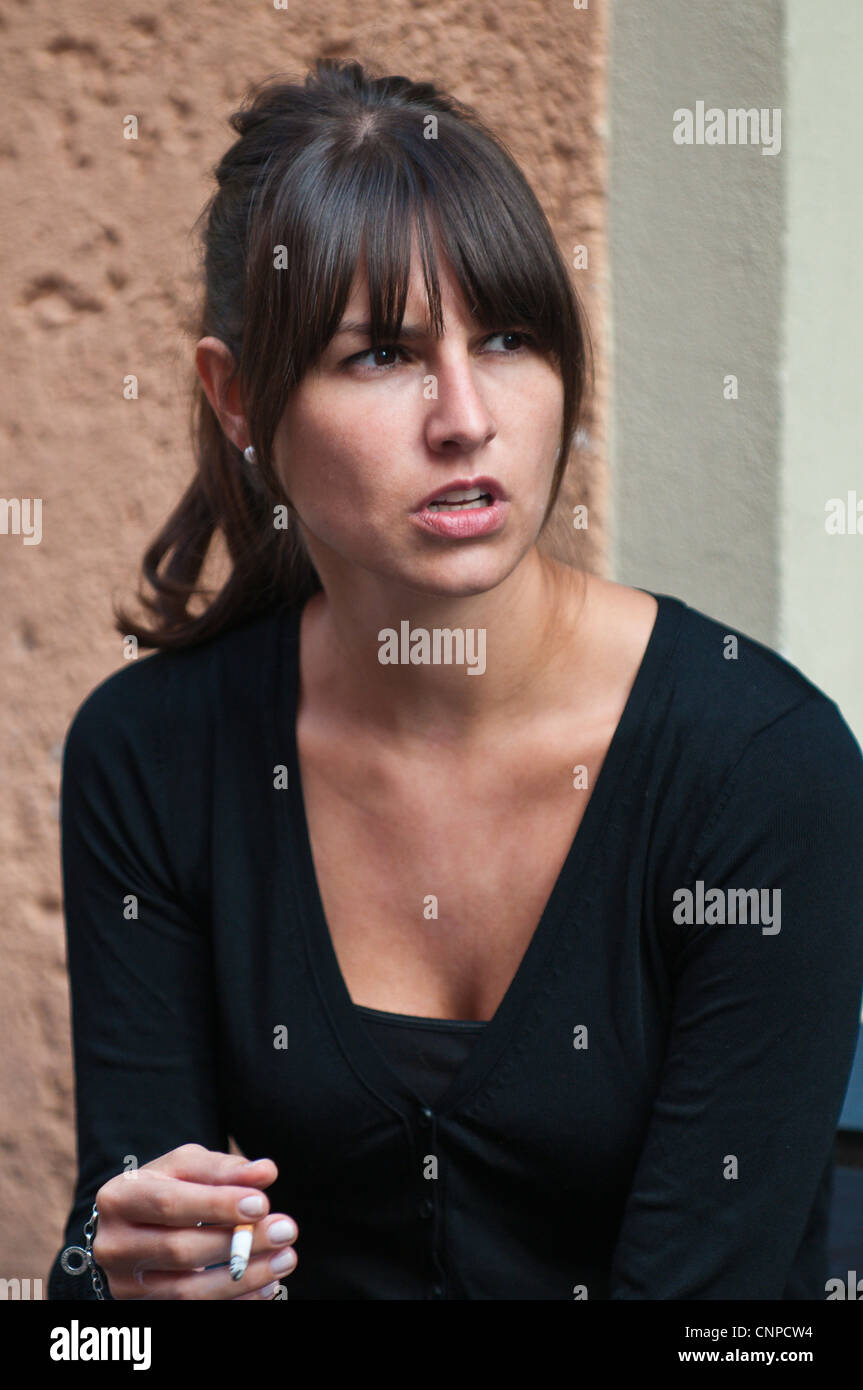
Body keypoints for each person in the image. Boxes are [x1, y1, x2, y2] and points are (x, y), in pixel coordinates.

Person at [48, 57, 863, 1301]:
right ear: (238, 399)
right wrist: (109, 1285)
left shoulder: (759, 766)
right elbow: (120, 1286)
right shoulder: (151, 756)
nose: (466, 416)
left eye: (508, 336)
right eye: (380, 355)